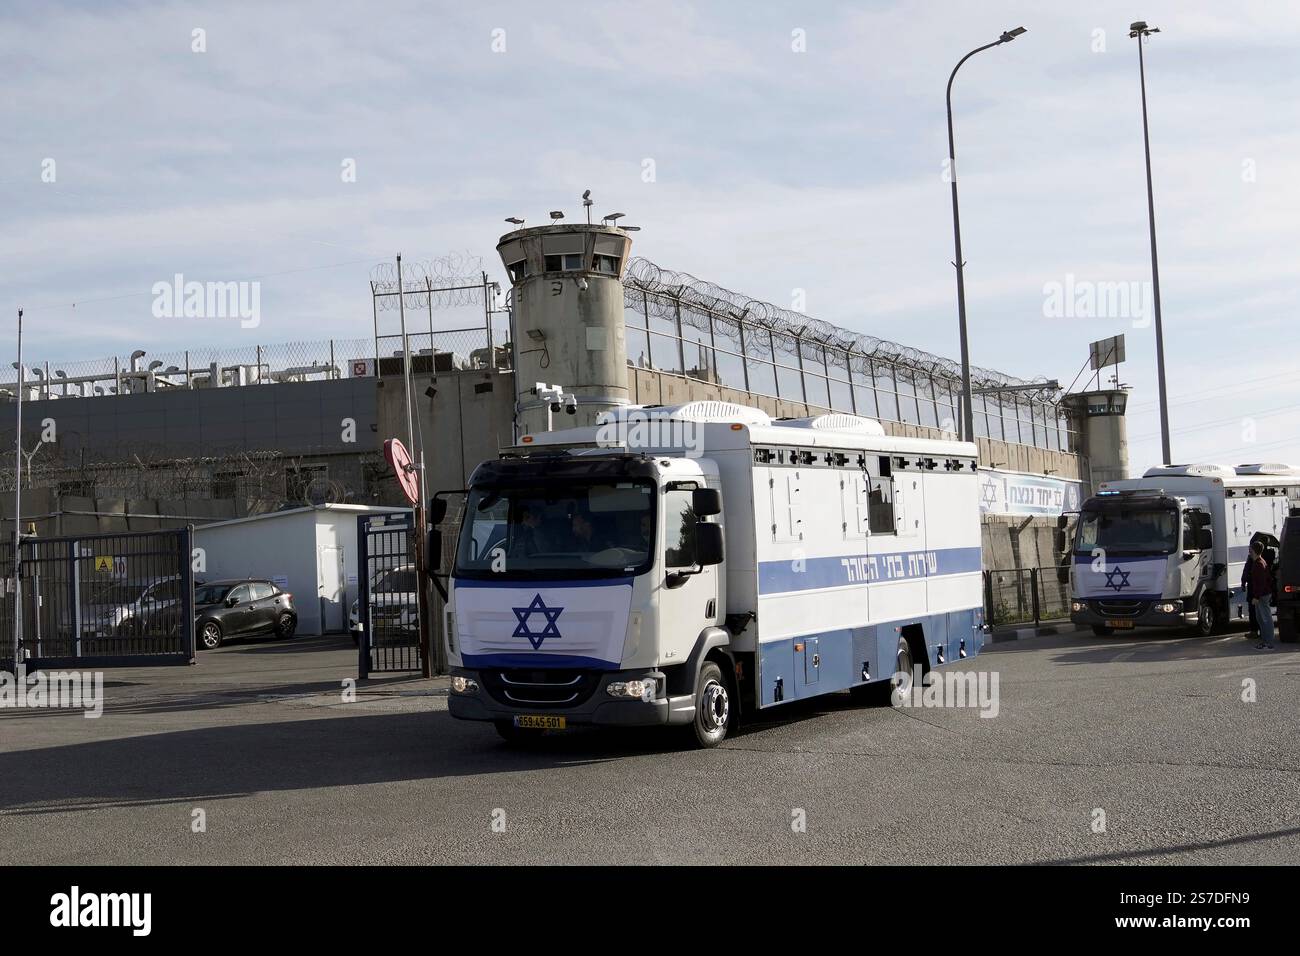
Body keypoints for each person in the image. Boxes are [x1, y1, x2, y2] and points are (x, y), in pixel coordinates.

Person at [1247, 540, 1276, 650]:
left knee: (1265, 618)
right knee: (1261, 618)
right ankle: (1265, 641)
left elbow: (1261, 582)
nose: (1249, 552)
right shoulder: (1259, 562)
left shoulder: (1259, 564)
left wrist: (1256, 597)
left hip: (1262, 595)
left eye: (1250, 550)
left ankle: (1268, 642)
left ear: (1254, 550)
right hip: (1263, 594)